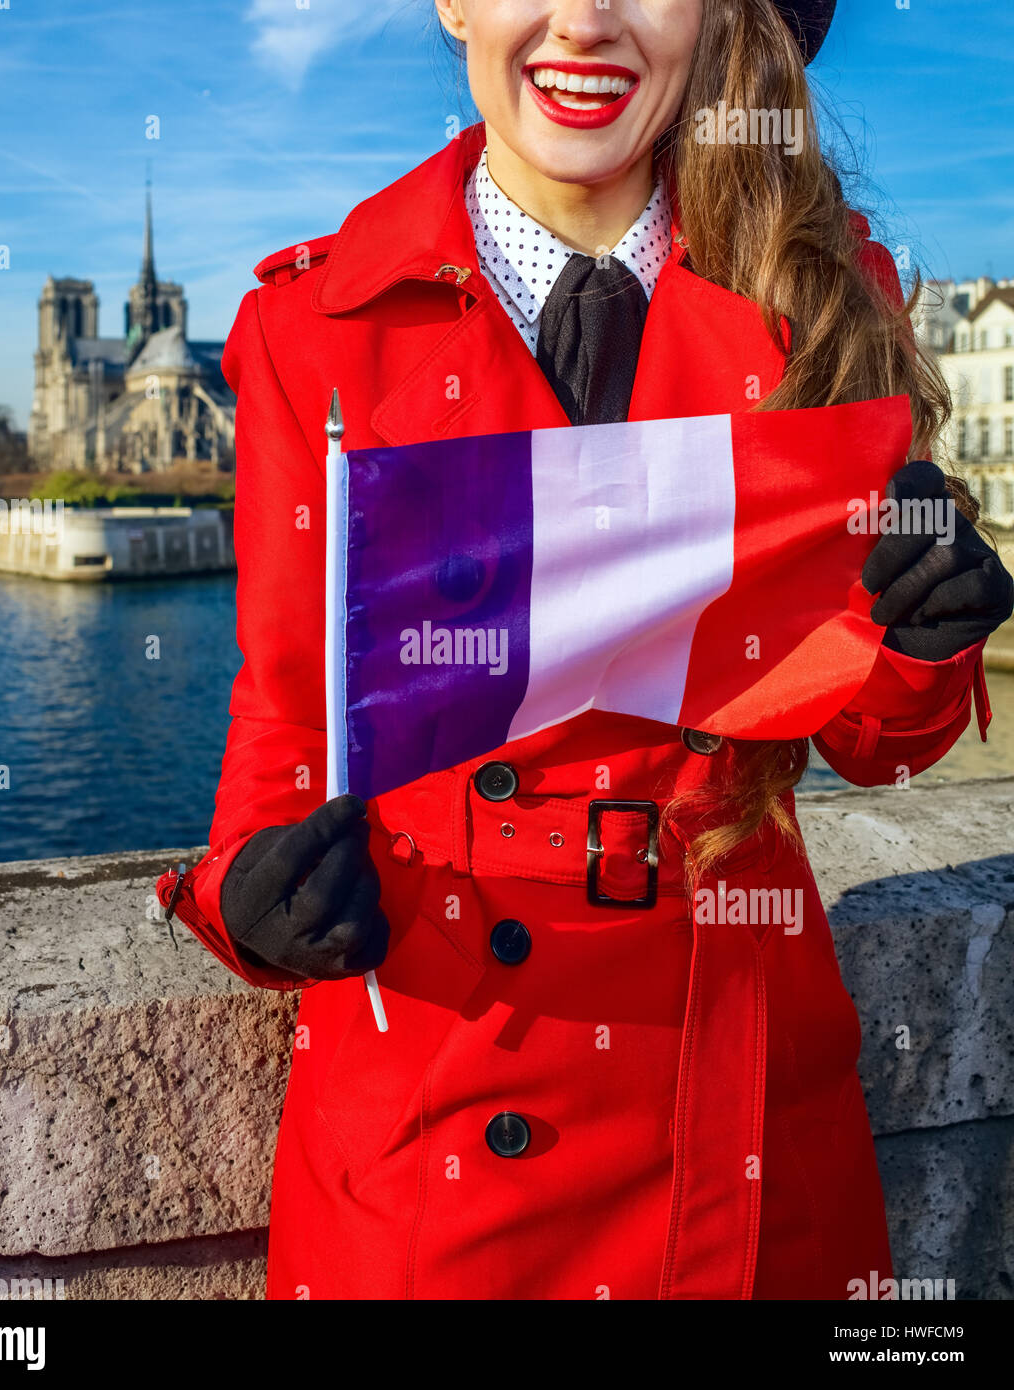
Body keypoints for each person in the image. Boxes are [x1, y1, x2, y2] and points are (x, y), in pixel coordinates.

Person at [158, 0, 1013, 1299]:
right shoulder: (308, 329)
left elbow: (875, 741)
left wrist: (920, 630)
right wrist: (252, 904)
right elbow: (289, 725)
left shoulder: (823, 288)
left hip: (741, 1128)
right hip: (434, 1133)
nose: (585, 21)